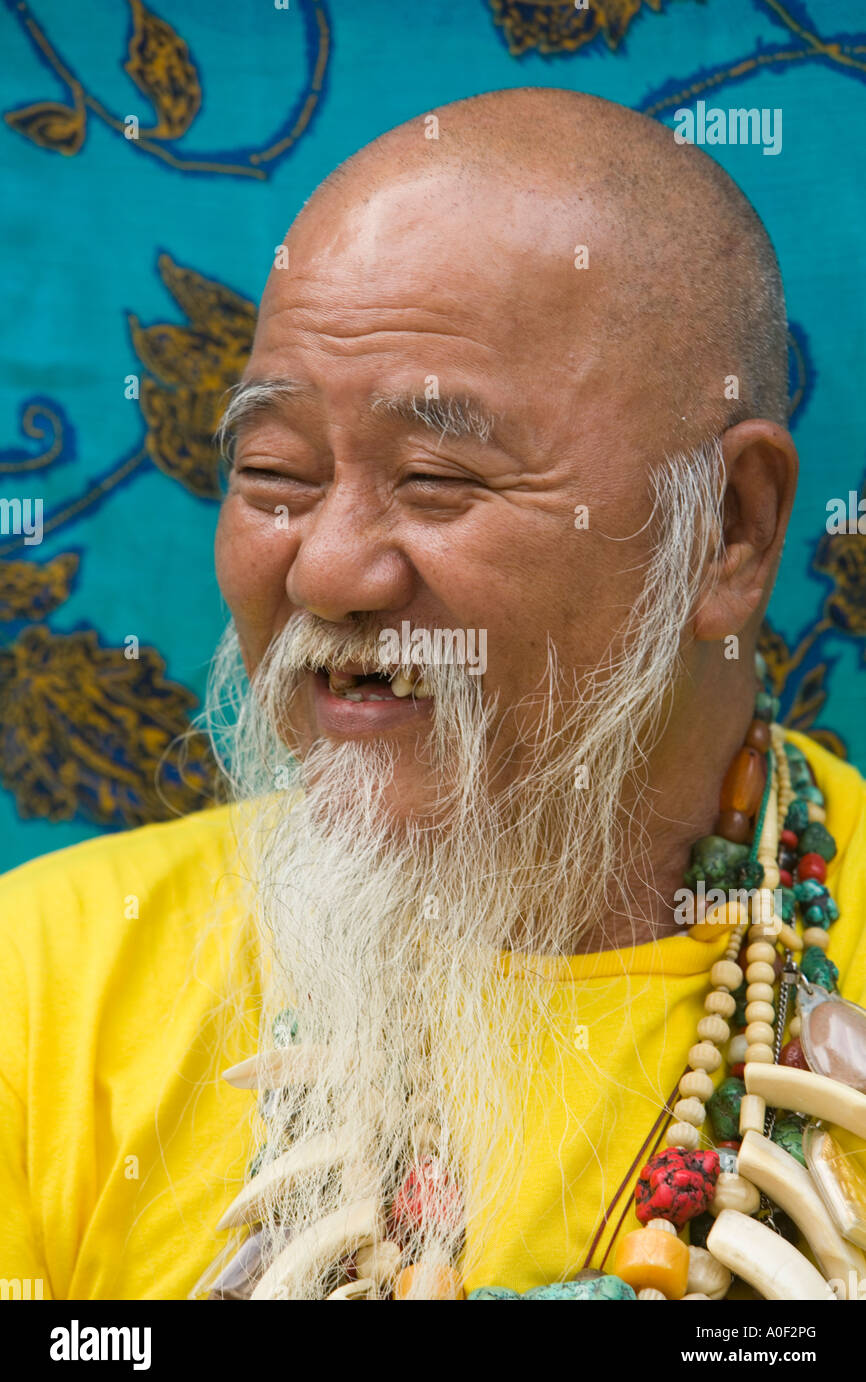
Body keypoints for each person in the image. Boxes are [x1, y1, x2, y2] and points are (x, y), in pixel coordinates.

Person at [1, 88, 864, 1303]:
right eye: (274, 475)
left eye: (436, 476)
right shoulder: (42, 992)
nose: (327, 569)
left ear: (726, 532)